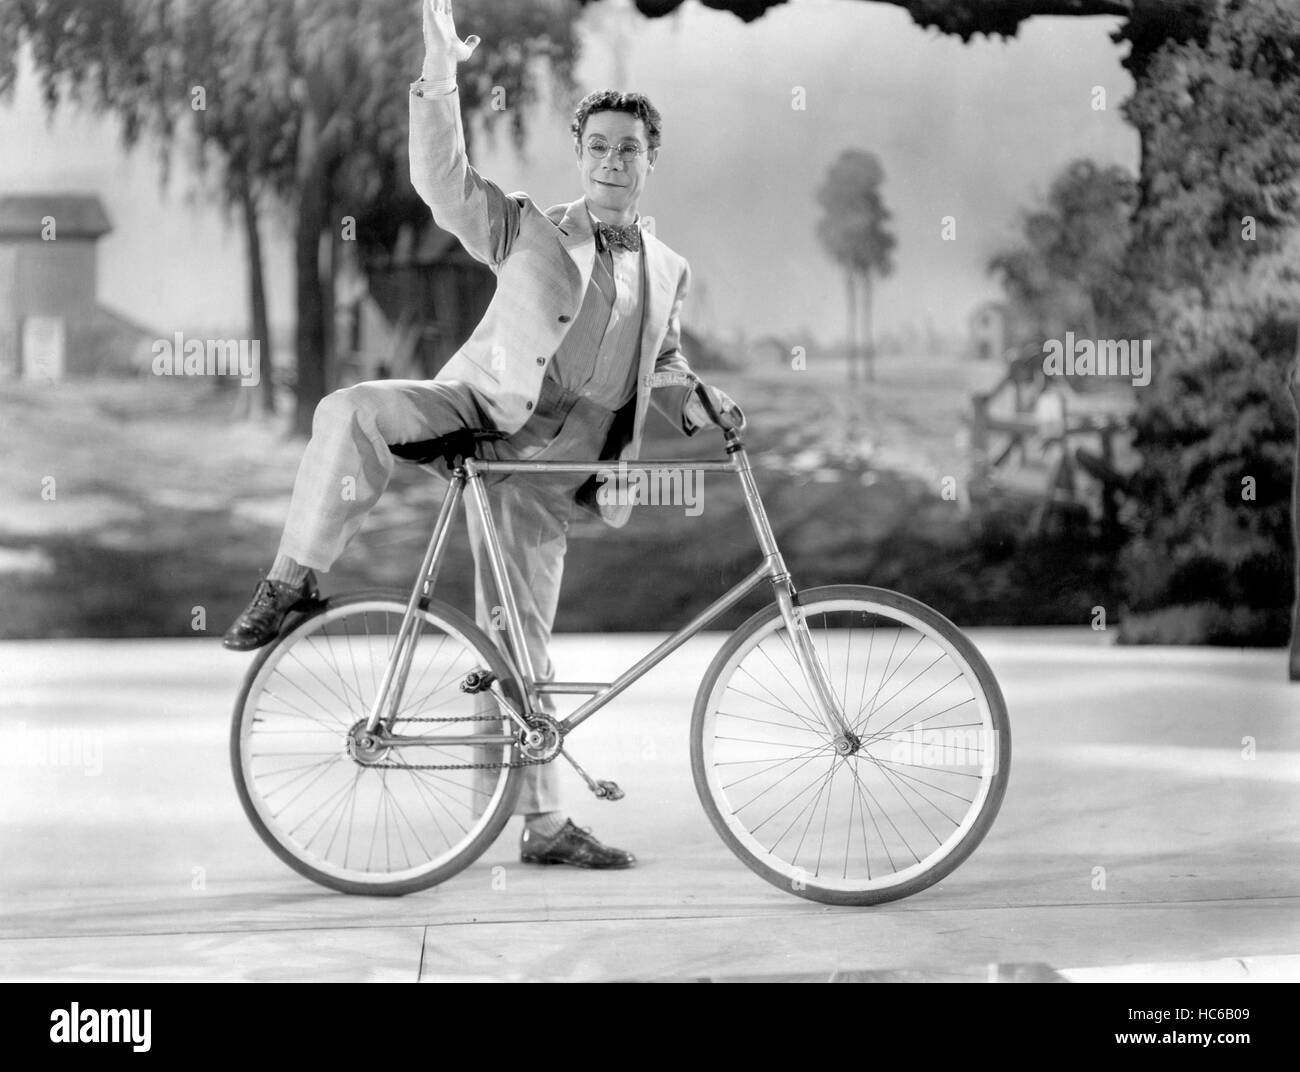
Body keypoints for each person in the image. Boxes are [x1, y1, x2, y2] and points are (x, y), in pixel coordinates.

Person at [222, 0, 742, 870]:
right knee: (347, 409)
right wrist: (440, 70)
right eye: (599, 147)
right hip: (476, 415)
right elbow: (442, 182)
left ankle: (539, 826)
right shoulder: (531, 227)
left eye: (630, 148)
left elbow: (666, 365)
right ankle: (291, 579)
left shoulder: (668, 268)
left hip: (551, 474)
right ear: (581, 156)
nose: (613, 160)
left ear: (651, 163)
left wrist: (702, 406)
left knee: (515, 645)